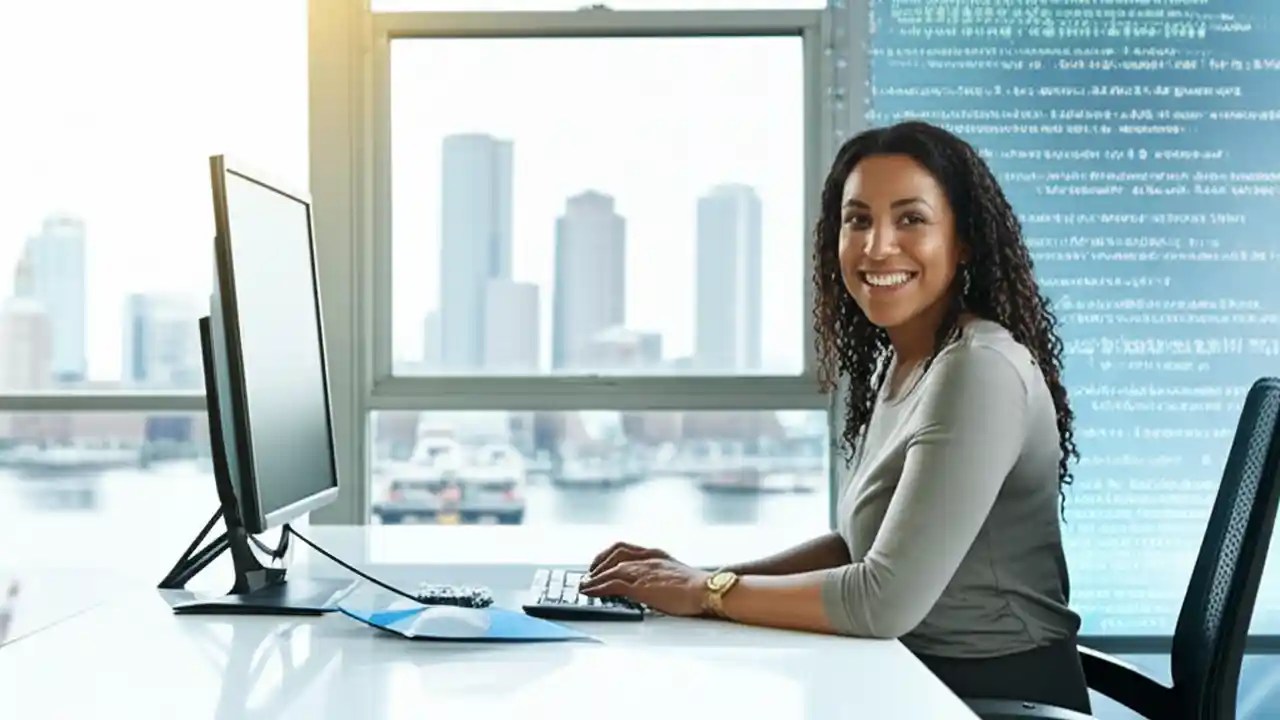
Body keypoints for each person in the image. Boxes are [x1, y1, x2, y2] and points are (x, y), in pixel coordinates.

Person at [580, 120, 1091, 712]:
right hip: (909, 676)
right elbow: (854, 549)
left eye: (910, 219)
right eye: (858, 220)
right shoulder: (903, 364)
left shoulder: (977, 368)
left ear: (965, 240)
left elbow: (883, 600)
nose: (877, 246)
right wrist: (698, 578)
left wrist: (709, 592)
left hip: (992, 697)